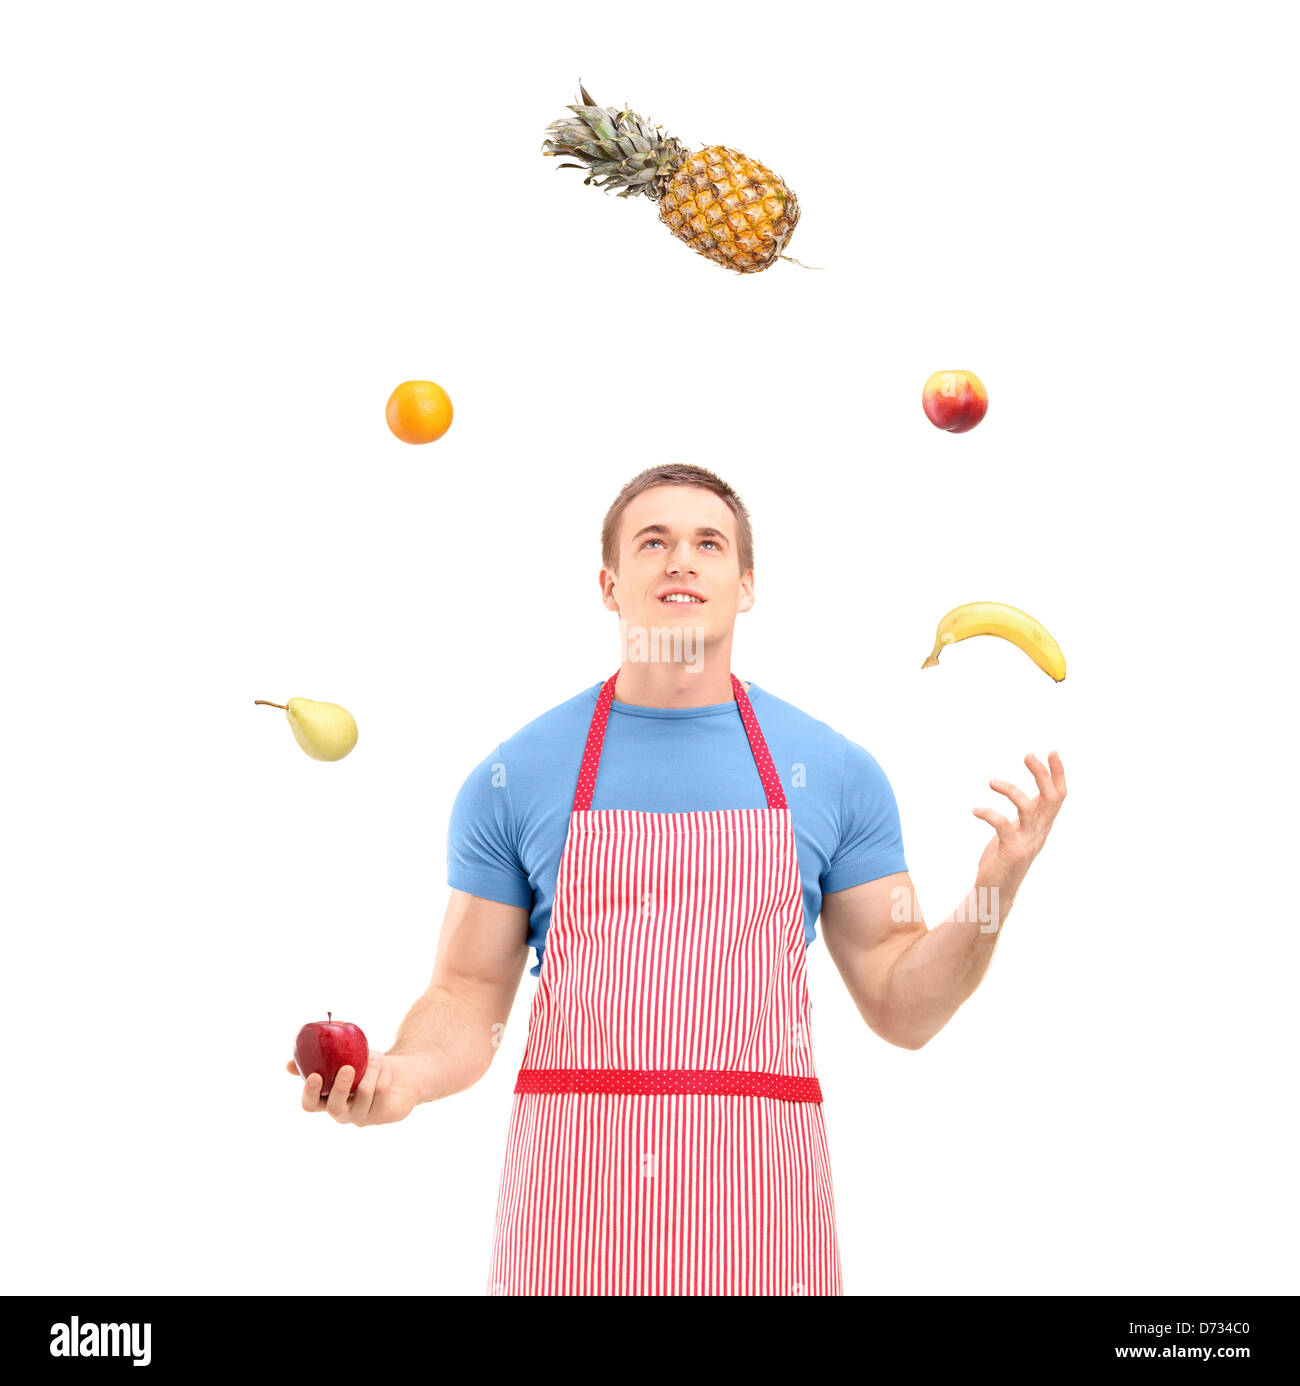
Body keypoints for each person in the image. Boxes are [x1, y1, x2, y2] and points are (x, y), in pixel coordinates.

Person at [287, 462, 1068, 1295]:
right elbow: (467, 996)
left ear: (748, 584)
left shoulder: (835, 772)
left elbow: (902, 1005)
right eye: (652, 541)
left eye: (709, 543)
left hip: (763, 1212)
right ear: (609, 584)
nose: (681, 562)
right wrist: (400, 1074)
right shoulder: (515, 774)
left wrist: (996, 890)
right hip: (571, 1212)